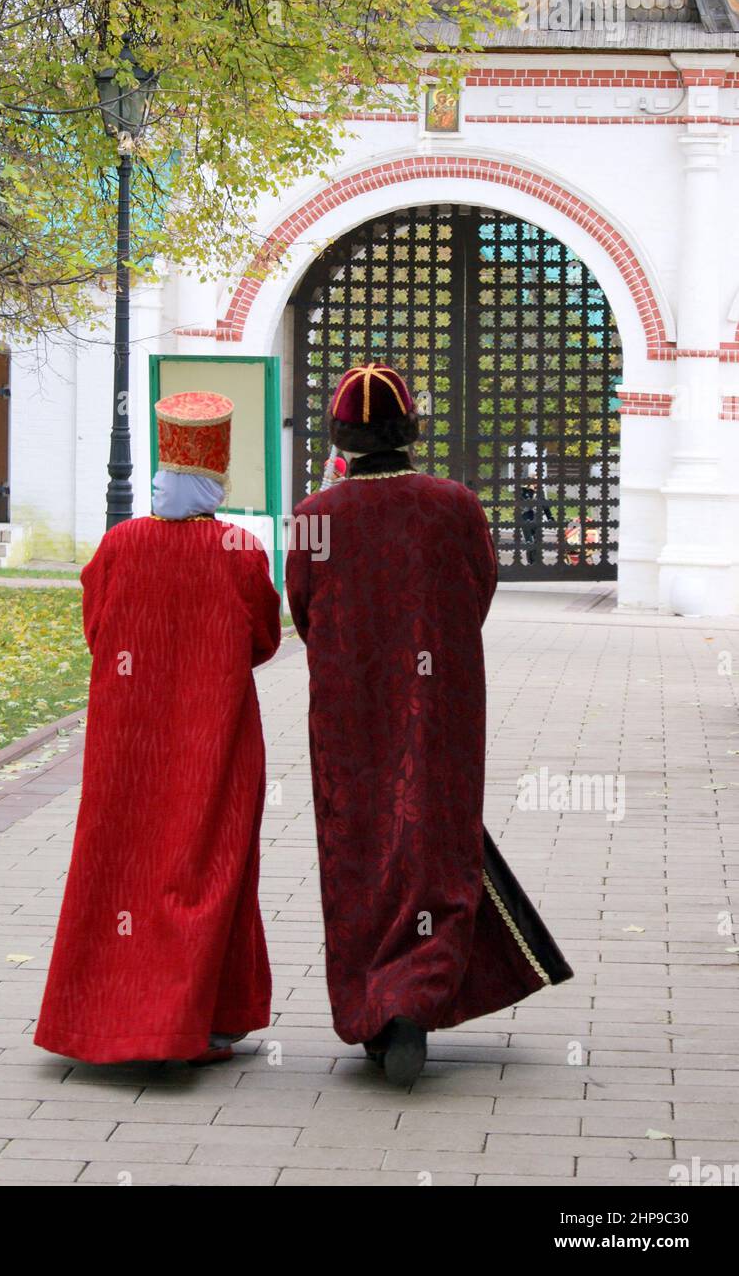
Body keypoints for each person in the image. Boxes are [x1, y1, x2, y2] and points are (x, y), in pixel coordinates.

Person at [286, 364, 572, 1086]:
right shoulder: (455, 504)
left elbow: (303, 609)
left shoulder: (317, 515)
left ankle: (376, 1007)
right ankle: (418, 991)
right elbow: (478, 588)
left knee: (357, 842)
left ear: (343, 434)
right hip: (440, 707)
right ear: (410, 430)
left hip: (349, 712)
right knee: (433, 835)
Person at [35, 390, 281, 1065]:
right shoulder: (238, 548)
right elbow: (264, 639)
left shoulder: (118, 546)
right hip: (216, 738)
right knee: (211, 865)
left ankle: (102, 1016)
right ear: (216, 478)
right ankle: (199, 1021)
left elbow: (96, 632)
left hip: (127, 741)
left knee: (119, 866)